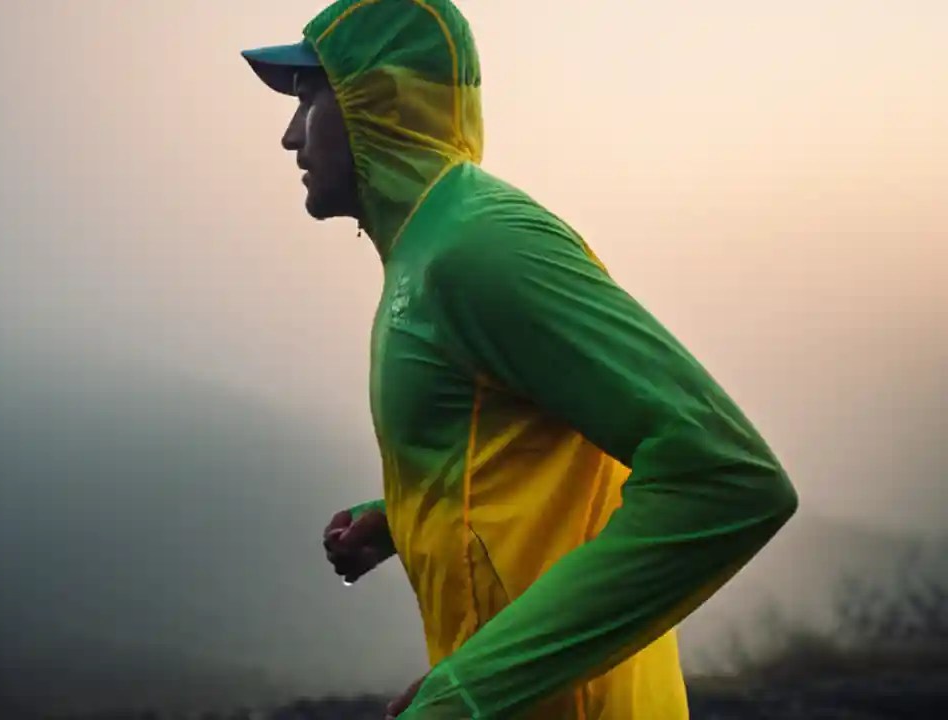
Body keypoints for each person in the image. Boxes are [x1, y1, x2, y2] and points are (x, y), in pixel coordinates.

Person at [240, 1, 798, 718]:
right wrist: (404, 518)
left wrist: (467, 692)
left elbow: (728, 478)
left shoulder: (482, 249)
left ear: (375, 100)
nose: (291, 135)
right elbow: (527, 447)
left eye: (308, 98)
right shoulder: (426, 250)